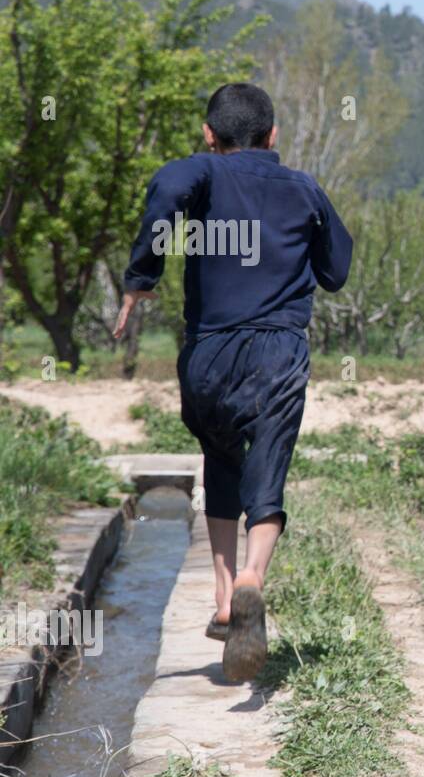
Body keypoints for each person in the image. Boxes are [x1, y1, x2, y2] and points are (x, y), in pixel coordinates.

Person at [114, 82, 352, 682]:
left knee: (219, 462)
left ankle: (224, 604)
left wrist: (143, 274)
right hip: (277, 352)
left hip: (209, 354)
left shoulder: (202, 175)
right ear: (273, 136)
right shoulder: (304, 189)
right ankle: (252, 579)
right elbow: (336, 272)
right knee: (265, 468)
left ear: (208, 136)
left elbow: (170, 185)